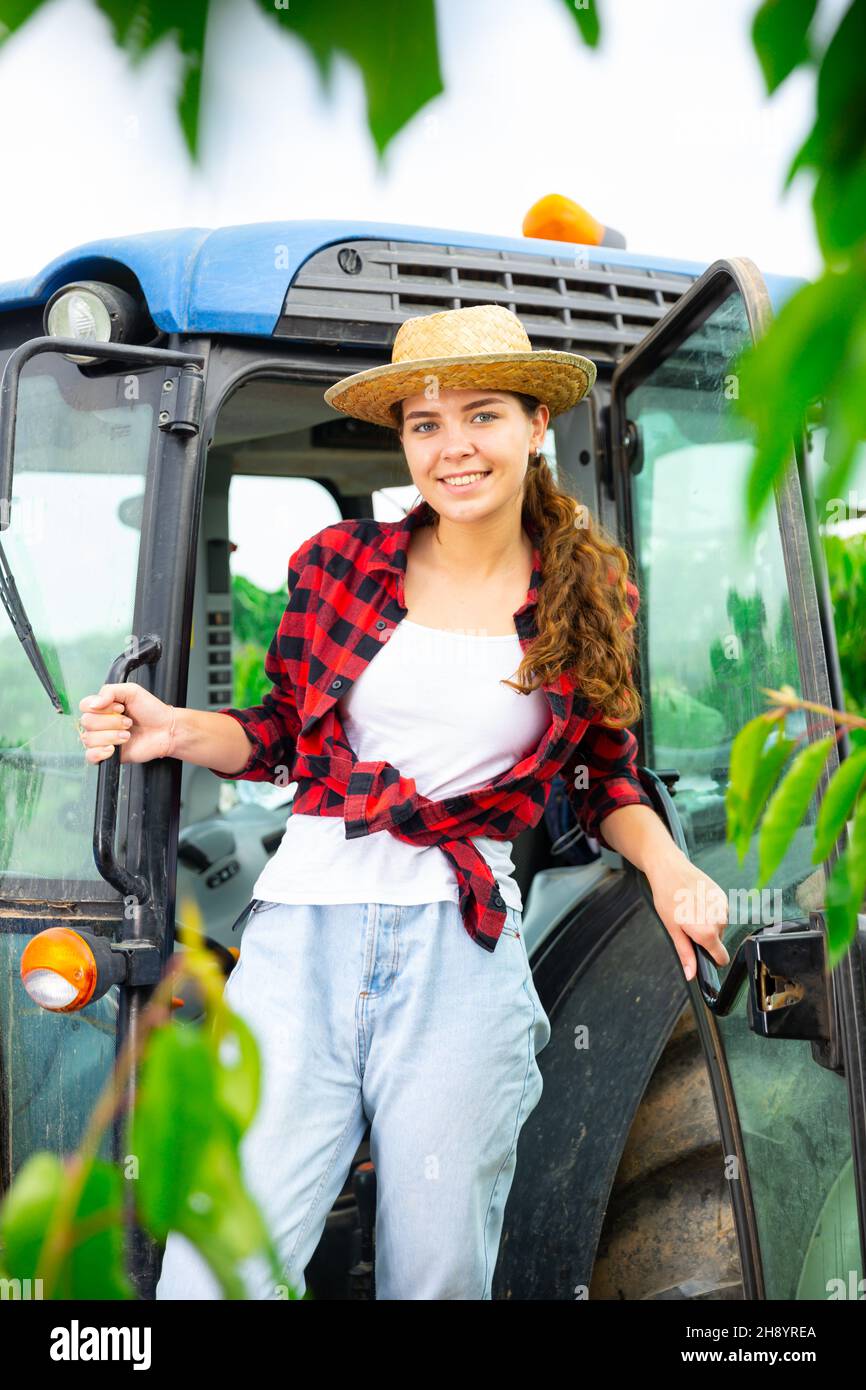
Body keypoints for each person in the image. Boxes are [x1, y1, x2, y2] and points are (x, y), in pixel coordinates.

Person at [77, 303, 729, 1300]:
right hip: (301, 940)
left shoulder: (585, 588)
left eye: (482, 416)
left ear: (532, 427)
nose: (452, 445)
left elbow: (601, 773)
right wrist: (171, 726)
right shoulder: (338, 567)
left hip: (459, 950)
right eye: (425, 423)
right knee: (216, 1270)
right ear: (402, 441)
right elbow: (284, 732)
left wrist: (672, 867)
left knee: (437, 1274)